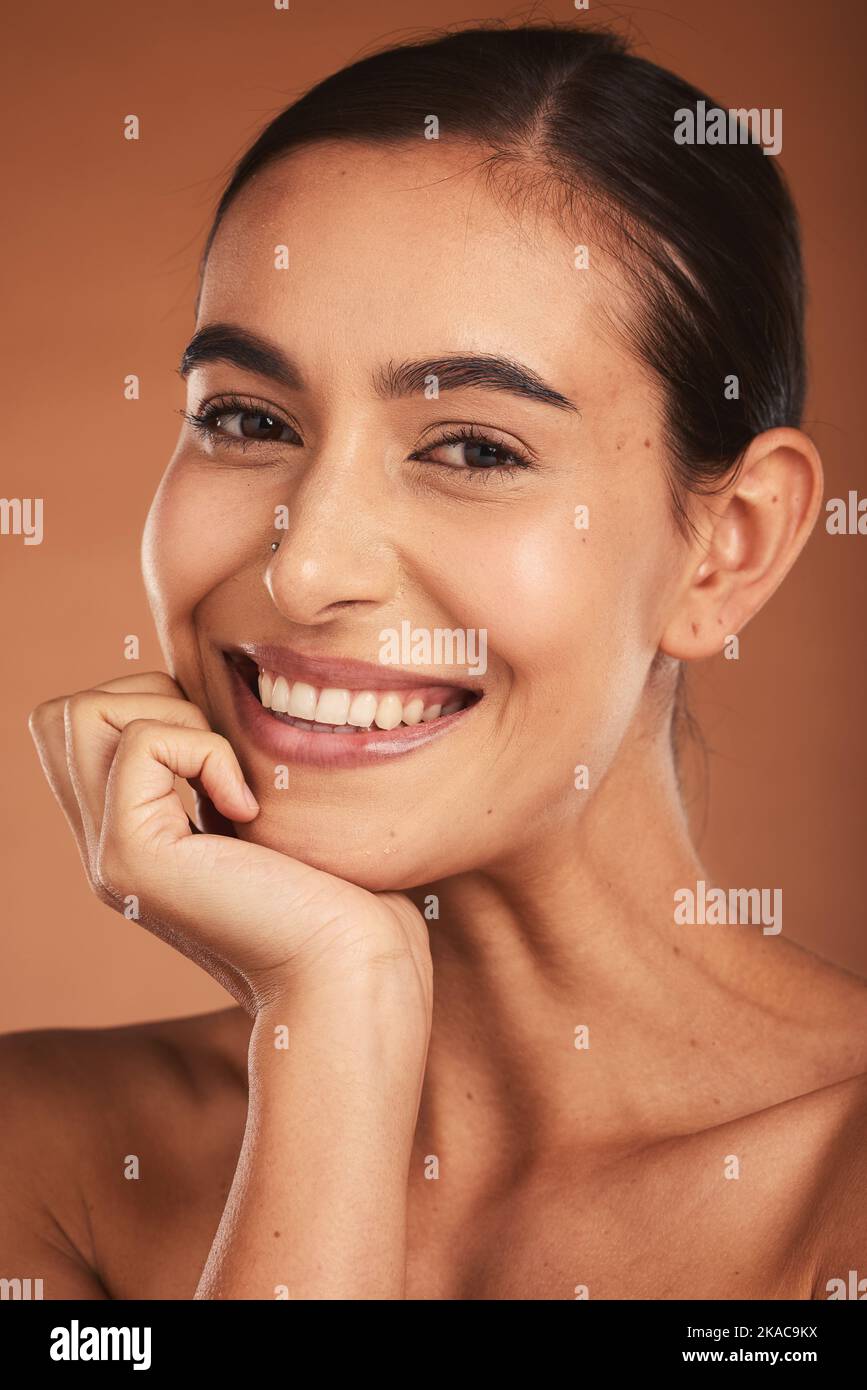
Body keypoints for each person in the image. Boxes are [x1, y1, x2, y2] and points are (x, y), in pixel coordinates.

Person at [5, 22, 866, 1300]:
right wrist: (332, 1021)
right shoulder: (43, 1156)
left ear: (725, 552)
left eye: (472, 448)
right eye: (247, 419)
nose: (305, 570)